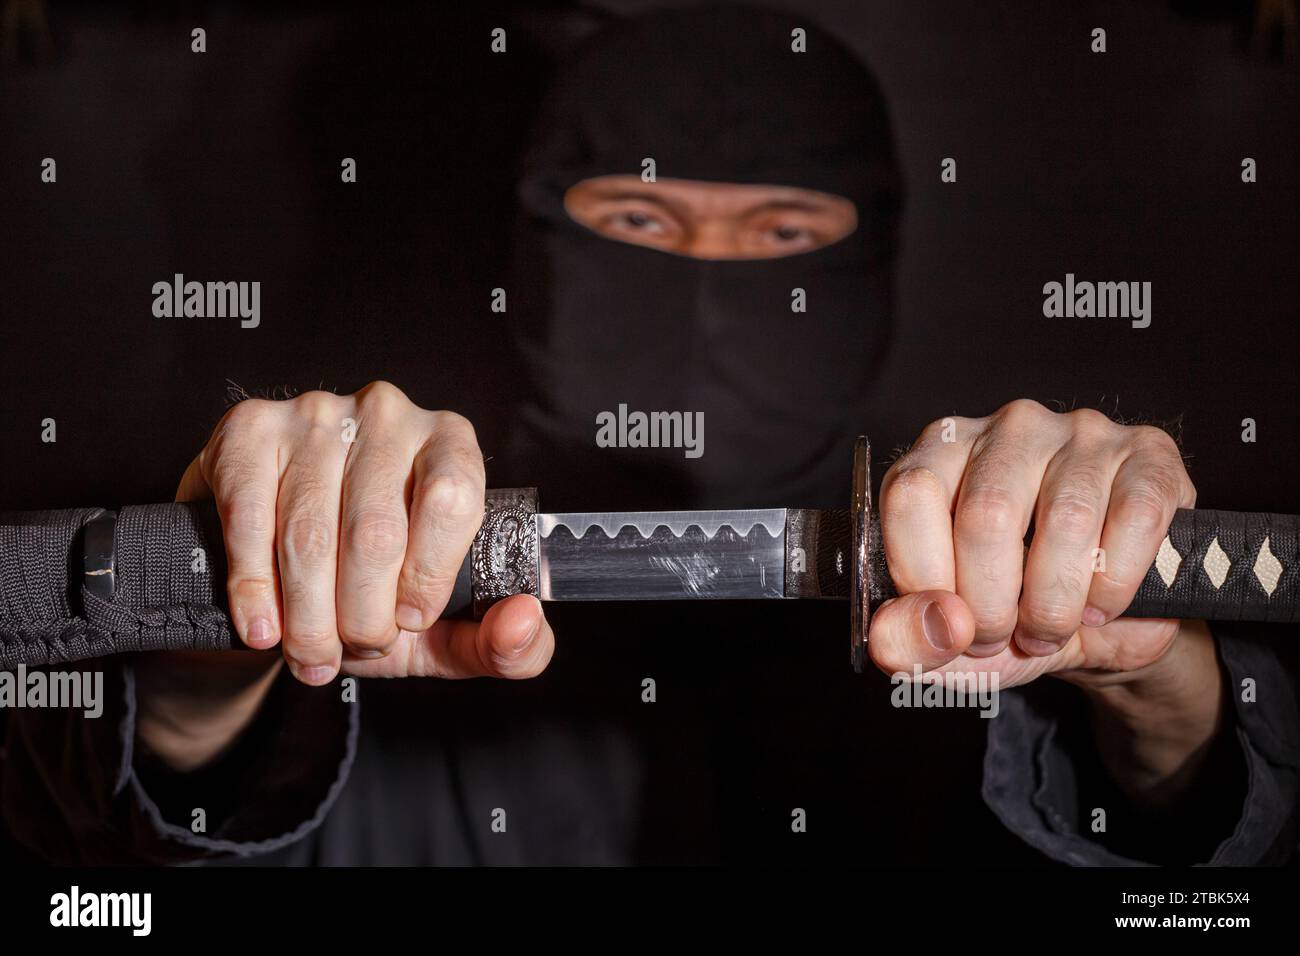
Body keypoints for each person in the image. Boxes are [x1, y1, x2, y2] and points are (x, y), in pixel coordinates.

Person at [3, 5, 1296, 866]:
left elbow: (1203, 884)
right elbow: (116, 872)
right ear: (535, 245)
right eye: (637, 220)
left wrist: (1164, 696)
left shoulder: (990, 584)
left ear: (879, 255)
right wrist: (200, 663)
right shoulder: (391, 551)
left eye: (784, 234)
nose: (705, 279)